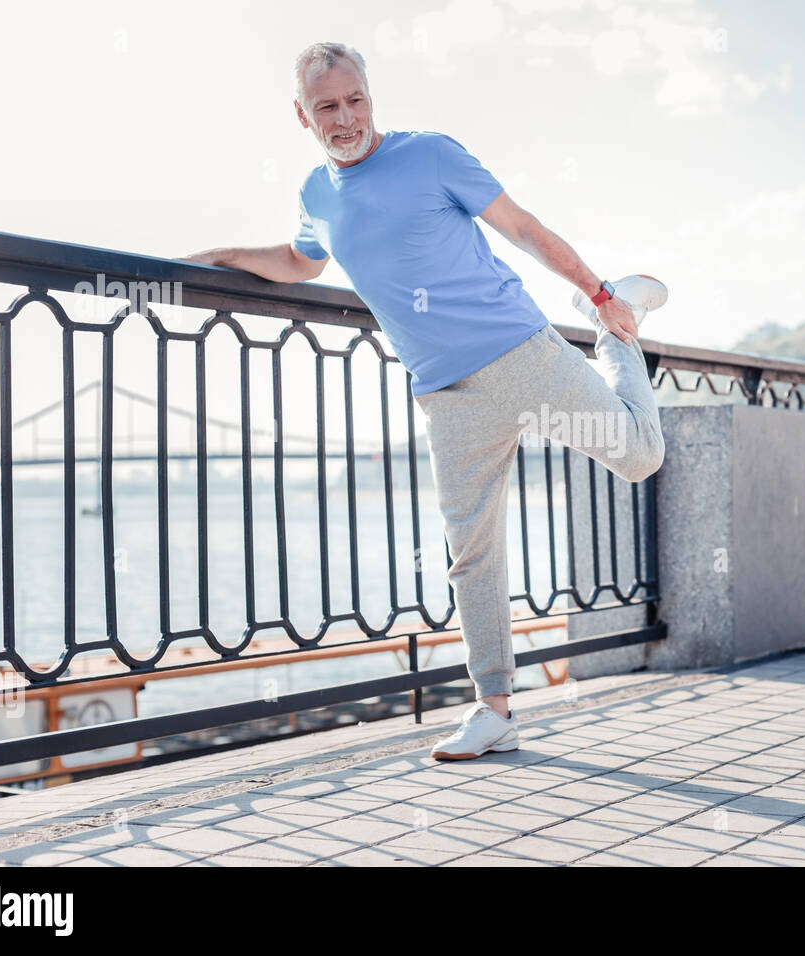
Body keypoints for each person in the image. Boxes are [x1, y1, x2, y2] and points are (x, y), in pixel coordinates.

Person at [181, 42, 667, 759]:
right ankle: (493, 707)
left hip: (520, 354)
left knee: (641, 458)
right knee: (471, 552)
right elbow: (299, 261)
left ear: (371, 97)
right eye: (327, 107)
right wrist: (222, 257)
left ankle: (617, 334)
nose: (345, 118)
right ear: (301, 114)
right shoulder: (316, 193)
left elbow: (523, 228)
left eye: (356, 101)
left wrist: (599, 295)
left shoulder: (431, 155)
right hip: (444, 392)